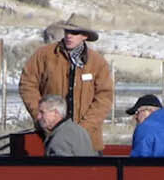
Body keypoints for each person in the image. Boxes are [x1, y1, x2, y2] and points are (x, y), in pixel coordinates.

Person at [19, 15, 115, 152]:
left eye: (75, 33)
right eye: (67, 32)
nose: (69, 36)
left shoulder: (98, 62)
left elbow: (104, 97)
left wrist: (82, 129)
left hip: (88, 141)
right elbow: (27, 84)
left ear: (85, 36)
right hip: (51, 138)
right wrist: (42, 116)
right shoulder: (44, 55)